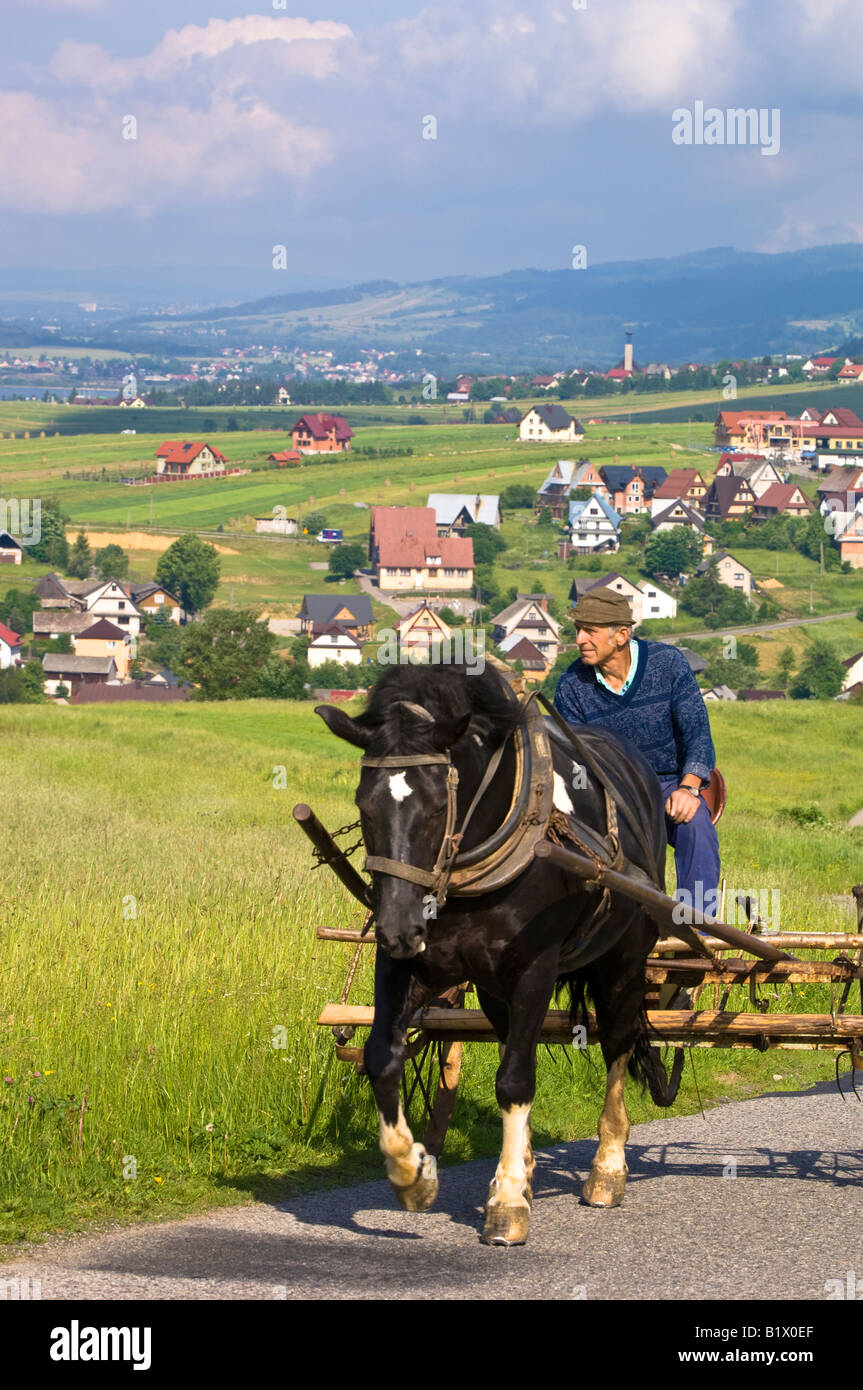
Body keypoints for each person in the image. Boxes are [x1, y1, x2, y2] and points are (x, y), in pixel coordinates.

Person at [553, 586, 720, 916]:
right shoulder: (572, 685)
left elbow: (698, 735)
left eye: (590, 631)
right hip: (610, 792)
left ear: (621, 635)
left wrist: (688, 788)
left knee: (696, 825)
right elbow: (572, 761)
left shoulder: (668, 664)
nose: (580, 639)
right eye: (577, 630)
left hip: (669, 783)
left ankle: (697, 928)